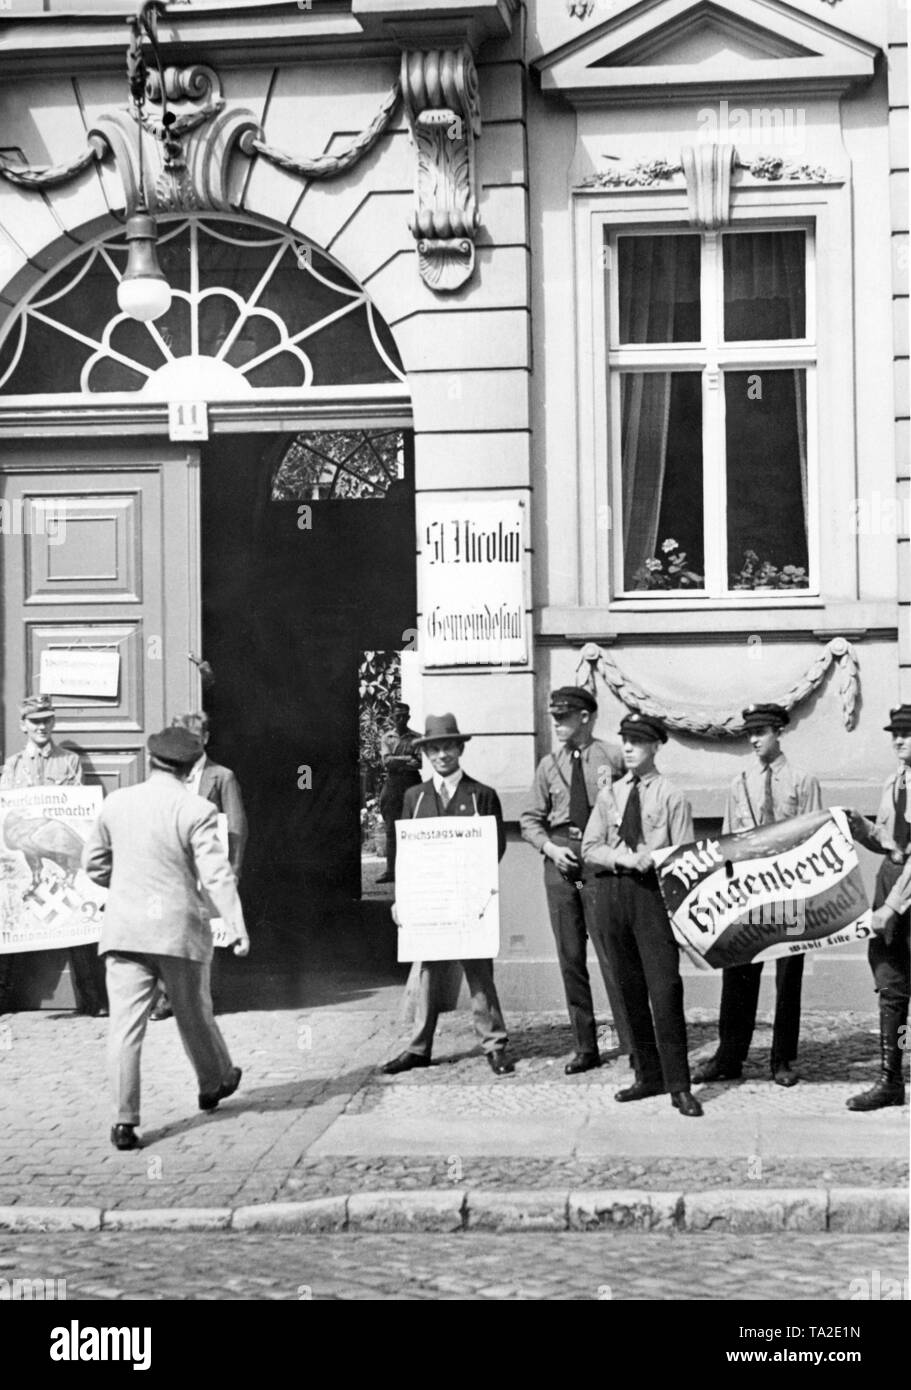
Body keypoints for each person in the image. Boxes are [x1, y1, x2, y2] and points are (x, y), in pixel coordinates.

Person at [83, 725, 250, 1151]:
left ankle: (124, 1121)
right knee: (195, 1013)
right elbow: (217, 875)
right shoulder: (195, 810)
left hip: (124, 931)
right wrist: (236, 925)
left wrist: (124, 887)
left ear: (150, 758)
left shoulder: (116, 803)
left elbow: (94, 864)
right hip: (177, 932)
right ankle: (212, 1083)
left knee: (124, 1029)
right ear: (192, 765)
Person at [693, 703, 822, 1088]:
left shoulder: (802, 781)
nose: (753, 740)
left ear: (779, 732)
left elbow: (815, 837)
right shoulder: (740, 783)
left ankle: (782, 1059)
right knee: (738, 973)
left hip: (789, 890)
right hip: (750, 893)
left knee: (788, 979)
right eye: (750, 733)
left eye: (761, 732)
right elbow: (729, 840)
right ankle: (729, 1055)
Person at [581, 711, 702, 1117]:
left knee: (665, 992)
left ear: (655, 746)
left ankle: (679, 1085)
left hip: (654, 899)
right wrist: (624, 859)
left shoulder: (671, 795)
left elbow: (686, 859)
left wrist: (654, 860)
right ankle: (646, 1074)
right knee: (628, 990)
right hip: (614, 895)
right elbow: (590, 847)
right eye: (625, 740)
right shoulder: (609, 794)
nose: (628, 748)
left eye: (637, 741)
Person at [381, 713, 515, 1076]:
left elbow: (495, 847)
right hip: (430, 898)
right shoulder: (415, 797)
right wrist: (401, 898)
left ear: (460, 748)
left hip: (469, 897)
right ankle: (418, 1047)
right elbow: (405, 853)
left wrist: (472, 883)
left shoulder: (482, 796)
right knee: (427, 969)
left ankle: (495, 1044)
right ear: (426, 753)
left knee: (478, 969)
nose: (442, 755)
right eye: (435, 749)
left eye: (448, 747)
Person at [520, 686, 630, 1074]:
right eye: (554, 717)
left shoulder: (614, 757)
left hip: (598, 864)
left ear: (585, 717)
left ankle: (633, 1042)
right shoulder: (548, 765)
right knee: (570, 956)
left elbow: (632, 804)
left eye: (564, 717)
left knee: (613, 951)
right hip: (563, 864)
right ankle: (586, 1046)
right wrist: (551, 849)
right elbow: (530, 819)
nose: (556, 724)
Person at [0, 694, 107, 1017]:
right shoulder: (13, 766)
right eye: (35, 721)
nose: (42, 727)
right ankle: (3, 997)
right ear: (23, 725)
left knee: (78, 919)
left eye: (47, 720)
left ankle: (93, 999)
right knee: (11, 921)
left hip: (60, 848)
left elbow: (76, 808)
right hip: (28, 850)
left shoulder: (69, 761)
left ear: (54, 722)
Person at [149, 712, 248, 1021]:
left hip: (207, 866)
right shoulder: (165, 776)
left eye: (194, 739)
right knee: (169, 927)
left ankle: (202, 997)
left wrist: (233, 868)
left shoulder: (222, 776)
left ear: (205, 739)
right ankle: (167, 997)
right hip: (173, 866)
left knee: (207, 930)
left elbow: (236, 826)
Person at [844, 704, 911, 1111]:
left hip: (904, 890)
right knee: (891, 983)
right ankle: (891, 1079)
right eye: (894, 734)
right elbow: (890, 840)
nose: (899, 740)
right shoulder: (892, 782)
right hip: (891, 880)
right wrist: (860, 827)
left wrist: (891, 905)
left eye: (907, 733)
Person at [376, 701, 422, 884]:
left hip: (412, 783)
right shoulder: (387, 738)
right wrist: (406, 759)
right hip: (393, 783)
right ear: (392, 718)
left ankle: (415, 870)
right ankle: (390, 871)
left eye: (404, 716)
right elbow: (387, 762)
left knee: (414, 827)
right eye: (397, 716)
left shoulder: (417, 738)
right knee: (391, 829)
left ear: (409, 717)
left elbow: (418, 763)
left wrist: (399, 760)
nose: (401, 719)